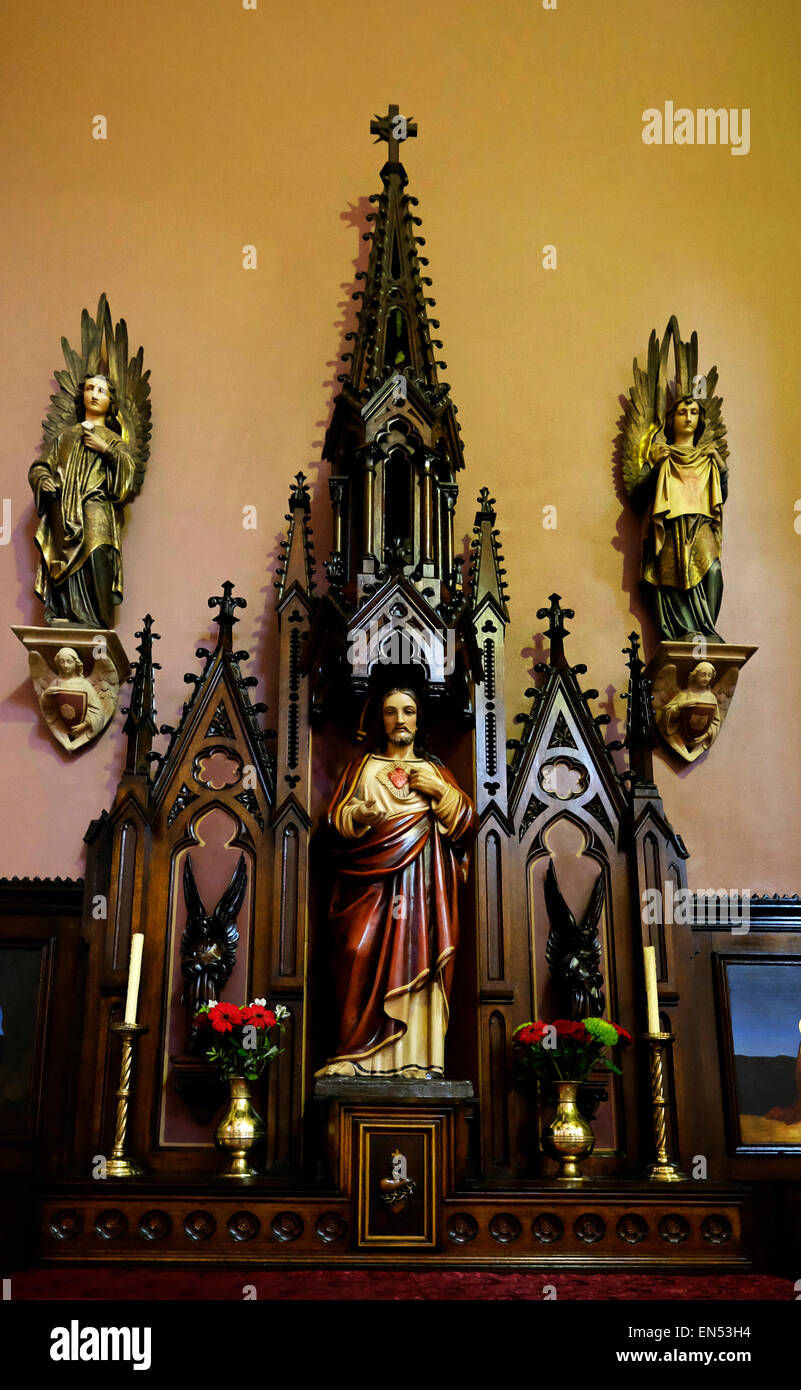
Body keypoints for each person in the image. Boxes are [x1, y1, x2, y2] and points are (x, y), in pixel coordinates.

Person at [316, 687, 476, 1079]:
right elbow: (333, 820)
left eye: (408, 711)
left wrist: (440, 791)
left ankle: (417, 1058)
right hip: (367, 885)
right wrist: (359, 815)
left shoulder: (436, 769)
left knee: (418, 958)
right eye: (390, 712)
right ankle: (354, 1055)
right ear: (380, 720)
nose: (399, 719)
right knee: (357, 950)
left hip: (422, 886)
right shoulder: (362, 766)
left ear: (419, 720)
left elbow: (467, 825)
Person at [29, 375, 137, 629]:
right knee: (64, 569)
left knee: (99, 557)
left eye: (101, 390)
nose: (95, 394)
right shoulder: (65, 437)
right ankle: (69, 617)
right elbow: (41, 466)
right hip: (63, 513)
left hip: (97, 510)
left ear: (110, 402)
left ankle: (97, 622)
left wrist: (106, 450)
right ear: (83, 396)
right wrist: (43, 478)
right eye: (90, 389)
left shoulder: (114, 440)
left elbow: (126, 479)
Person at [632, 395, 728, 642]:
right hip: (669, 525)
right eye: (682, 412)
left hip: (701, 524)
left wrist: (722, 469)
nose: (688, 417)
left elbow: (720, 497)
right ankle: (685, 630)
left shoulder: (708, 458)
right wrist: (656, 470)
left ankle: (707, 629)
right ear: (671, 419)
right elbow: (639, 495)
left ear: (701, 420)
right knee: (671, 574)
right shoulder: (658, 454)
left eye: (694, 412)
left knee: (713, 570)